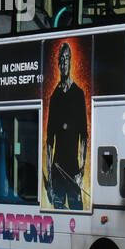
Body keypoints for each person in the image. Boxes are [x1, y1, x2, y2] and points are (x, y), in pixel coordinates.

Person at [43, 42, 88, 211]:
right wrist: (49, 176)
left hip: (73, 169)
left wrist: (82, 170)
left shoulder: (78, 94)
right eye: (61, 60)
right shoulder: (54, 97)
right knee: (58, 215)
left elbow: (84, 135)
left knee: (78, 210)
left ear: (71, 63)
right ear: (58, 64)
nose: (63, 63)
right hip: (57, 169)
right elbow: (49, 141)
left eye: (66, 59)